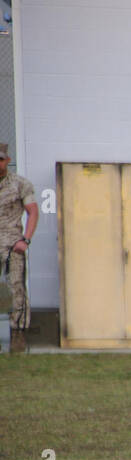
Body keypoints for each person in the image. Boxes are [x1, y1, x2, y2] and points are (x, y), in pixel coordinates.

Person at [0, 142, 38, 353]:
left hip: (12, 244)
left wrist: (26, 239)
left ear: (7, 160)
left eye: (1, 159)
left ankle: (18, 334)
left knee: (16, 288)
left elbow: (33, 211)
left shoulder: (19, 184)